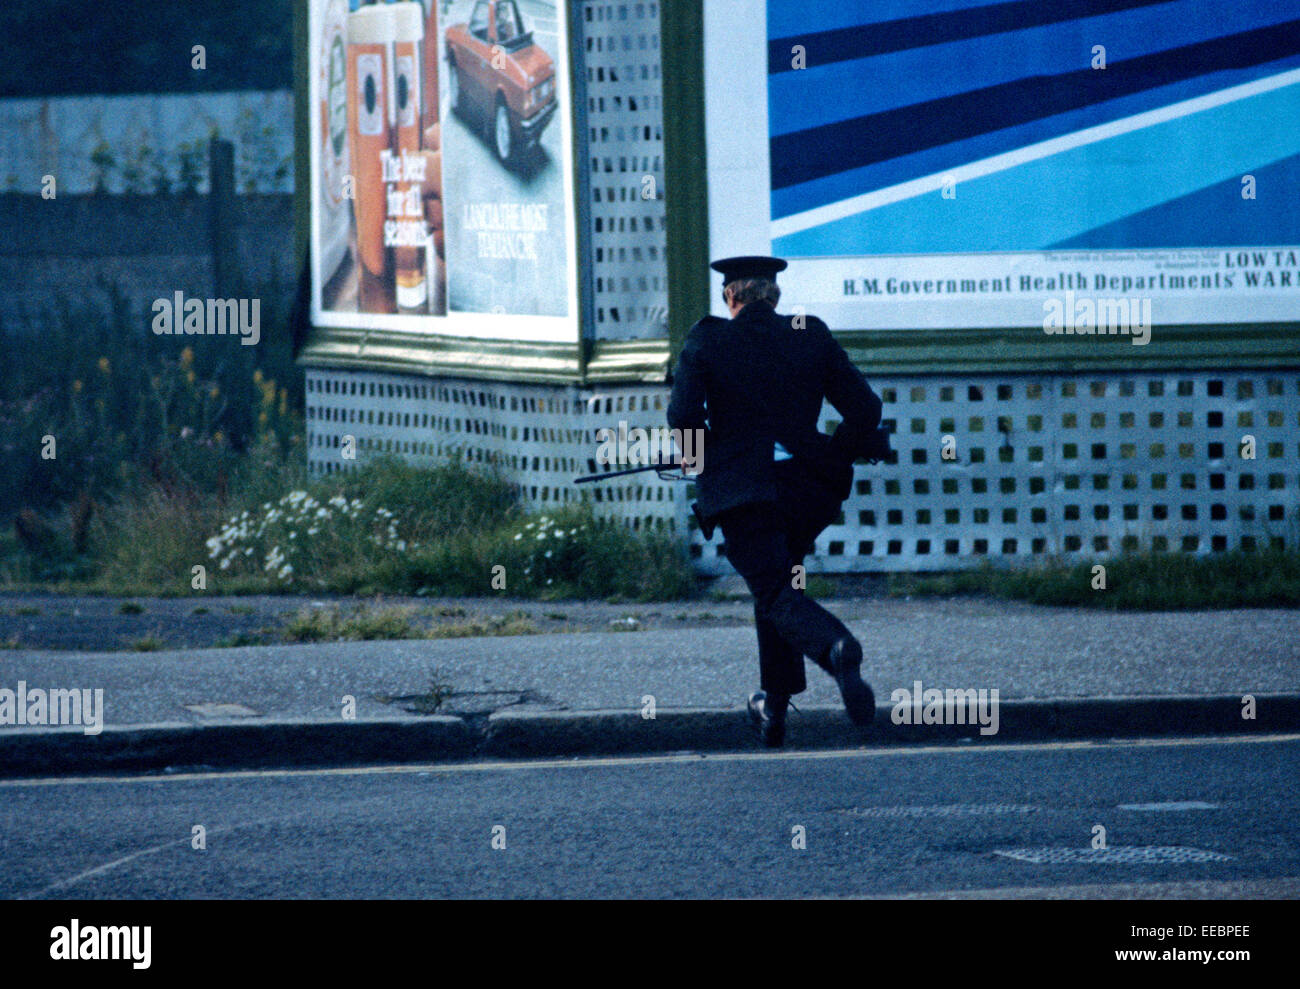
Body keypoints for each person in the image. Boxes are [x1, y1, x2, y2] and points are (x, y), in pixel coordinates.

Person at [668, 255, 884, 747]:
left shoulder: (708, 337)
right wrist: (832, 451)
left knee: (774, 592)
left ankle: (835, 647)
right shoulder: (811, 333)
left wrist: (703, 464)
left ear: (731, 297)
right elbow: (866, 410)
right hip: (808, 489)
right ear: (775, 295)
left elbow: (683, 416)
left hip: (746, 493)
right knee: (780, 583)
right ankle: (775, 709)